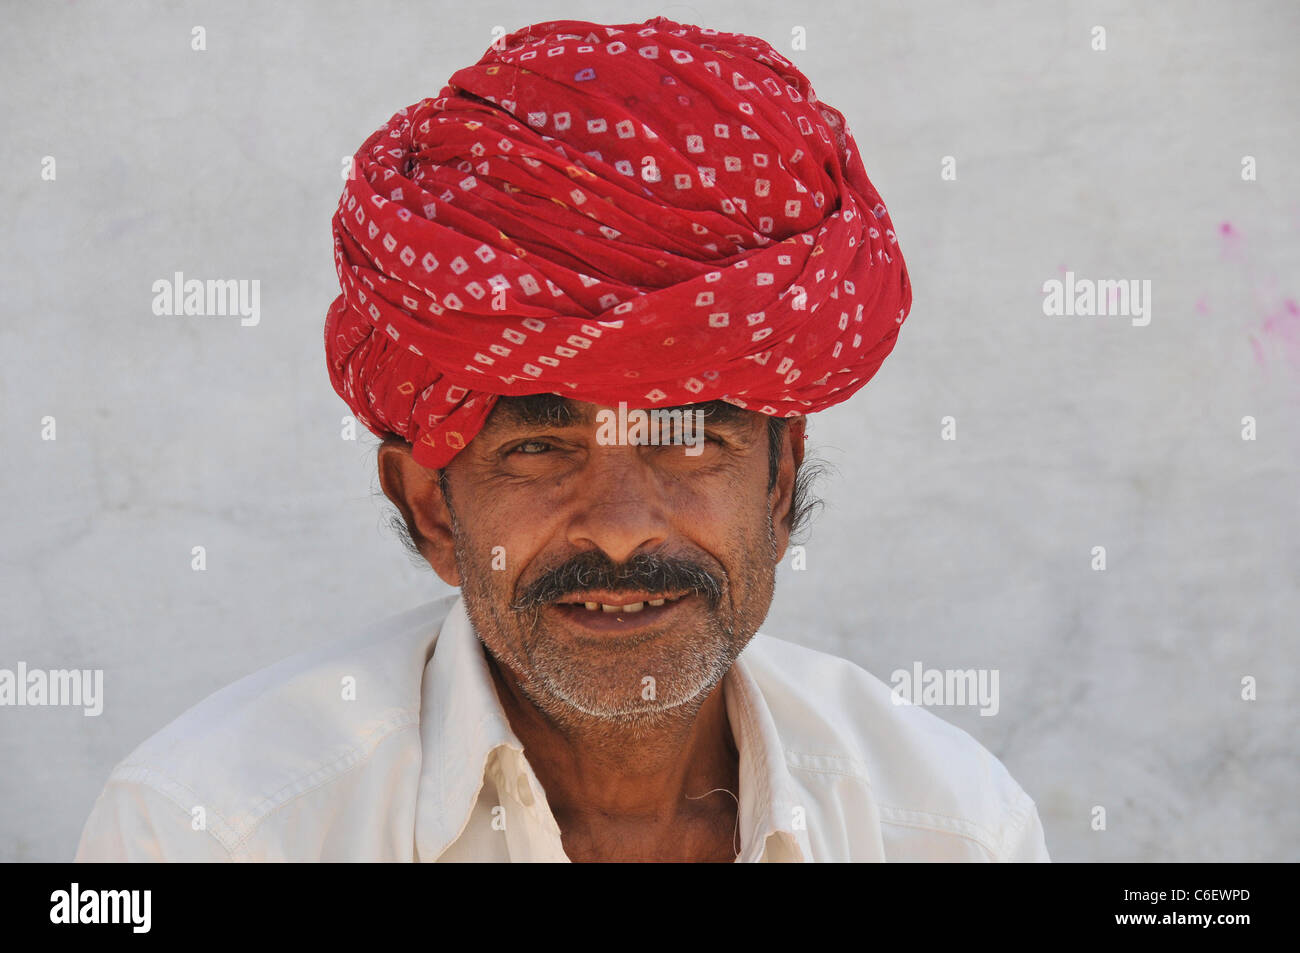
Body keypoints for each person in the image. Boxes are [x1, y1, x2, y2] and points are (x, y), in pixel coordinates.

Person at [75, 16, 1049, 862]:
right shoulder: (212, 831)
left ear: (778, 483)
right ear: (428, 505)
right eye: (540, 449)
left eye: (684, 441)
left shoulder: (949, 826)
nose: (622, 529)